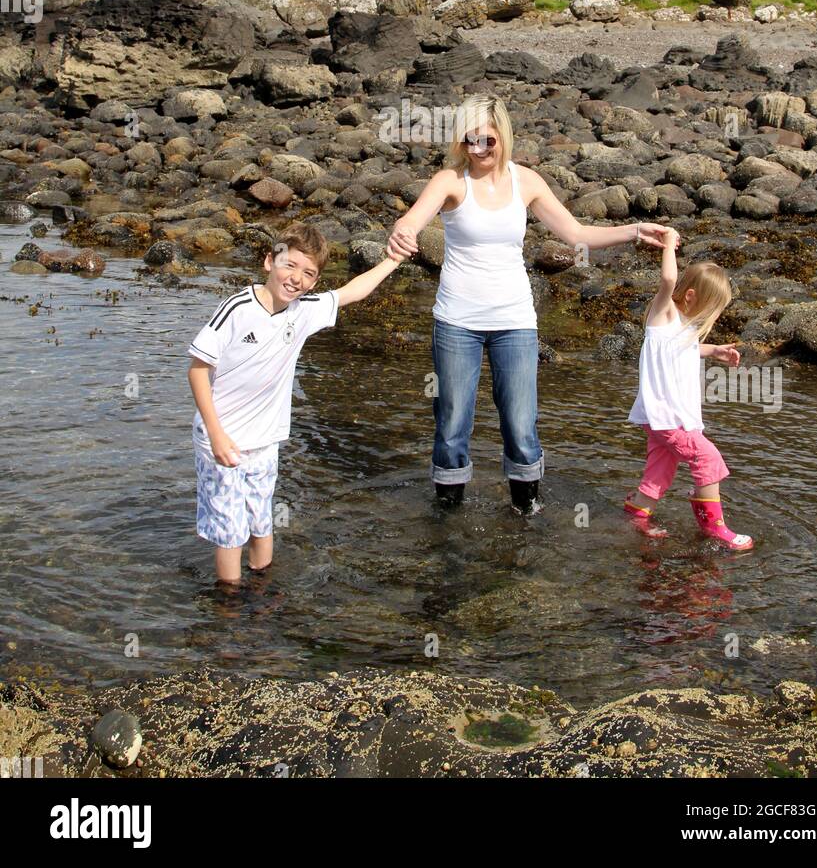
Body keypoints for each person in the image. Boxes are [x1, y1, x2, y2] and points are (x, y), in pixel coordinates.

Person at [387, 95, 674, 515]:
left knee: (521, 425)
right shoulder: (450, 180)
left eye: (488, 141)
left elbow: (575, 234)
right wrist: (403, 232)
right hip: (456, 322)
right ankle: (447, 519)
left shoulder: (527, 182)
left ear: (503, 135)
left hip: (515, 322)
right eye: (470, 142)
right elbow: (410, 221)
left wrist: (632, 230)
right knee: (451, 426)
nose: (480, 150)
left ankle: (528, 513)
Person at [187, 224, 407, 583]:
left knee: (260, 520)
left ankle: (261, 591)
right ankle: (228, 608)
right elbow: (197, 371)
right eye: (289, 266)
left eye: (308, 273)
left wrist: (393, 260)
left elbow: (353, 291)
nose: (296, 279)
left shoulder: (304, 311)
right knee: (230, 531)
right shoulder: (237, 308)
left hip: (265, 439)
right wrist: (215, 434)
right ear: (269, 262)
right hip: (221, 437)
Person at [623, 228, 753, 550]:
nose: (713, 317)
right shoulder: (662, 314)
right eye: (711, 309)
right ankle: (714, 528)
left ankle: (638, 514)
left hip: (661, 419)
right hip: (669, 417)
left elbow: (683, 348)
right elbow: (668, 279)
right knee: (707, 457)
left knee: (660, 472)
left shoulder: (683, 329)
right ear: (691, 296)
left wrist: (715, 350)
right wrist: (669, 243)